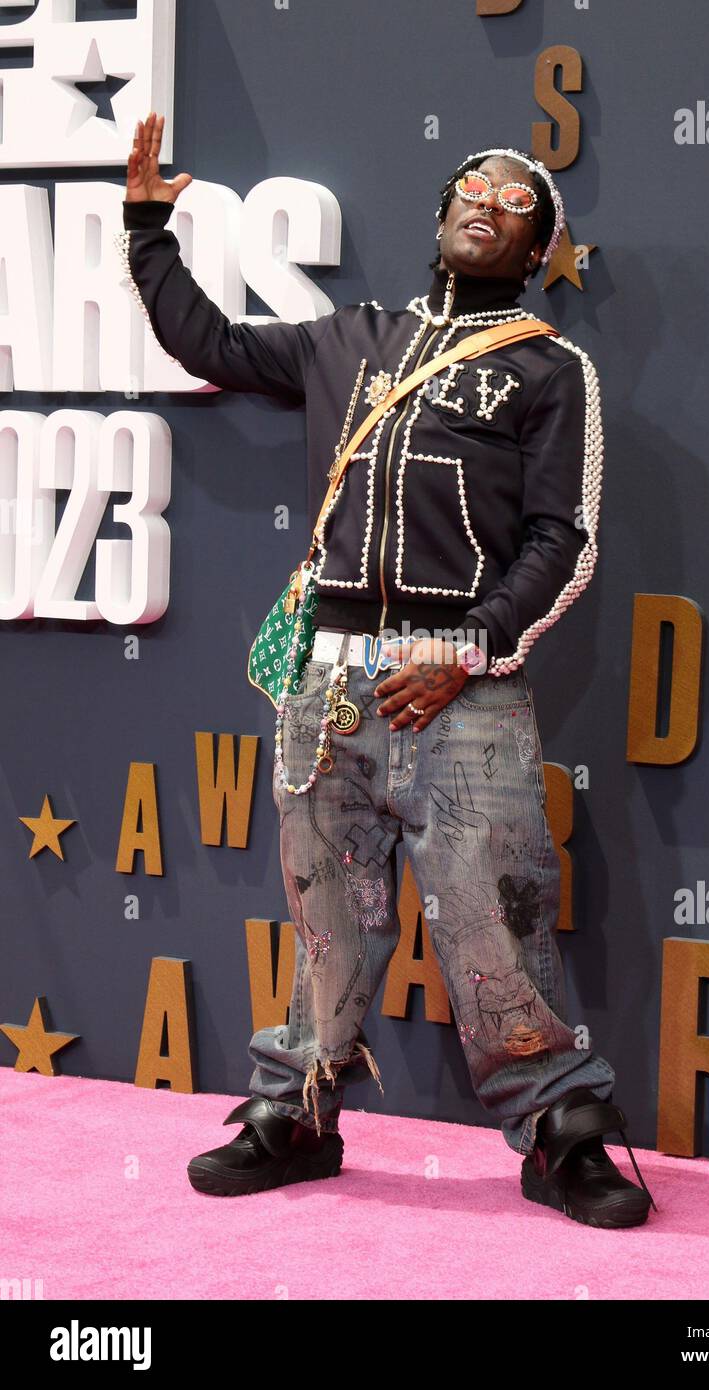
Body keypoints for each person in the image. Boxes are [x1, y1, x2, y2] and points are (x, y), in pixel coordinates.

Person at [117, 112, 656, 1228]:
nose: (486, 201)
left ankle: (558, 1132)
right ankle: (297, 1111)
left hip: (458, 681)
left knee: (491, 916)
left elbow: (566, 542)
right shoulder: (345, 339)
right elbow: (209, 346)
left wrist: (465, 650)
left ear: (539, 250)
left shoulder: (552, 371)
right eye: (473, 183)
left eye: (516, 202)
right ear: (439, 210)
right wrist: (145, 232)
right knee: (327, 913)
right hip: (324, 686)